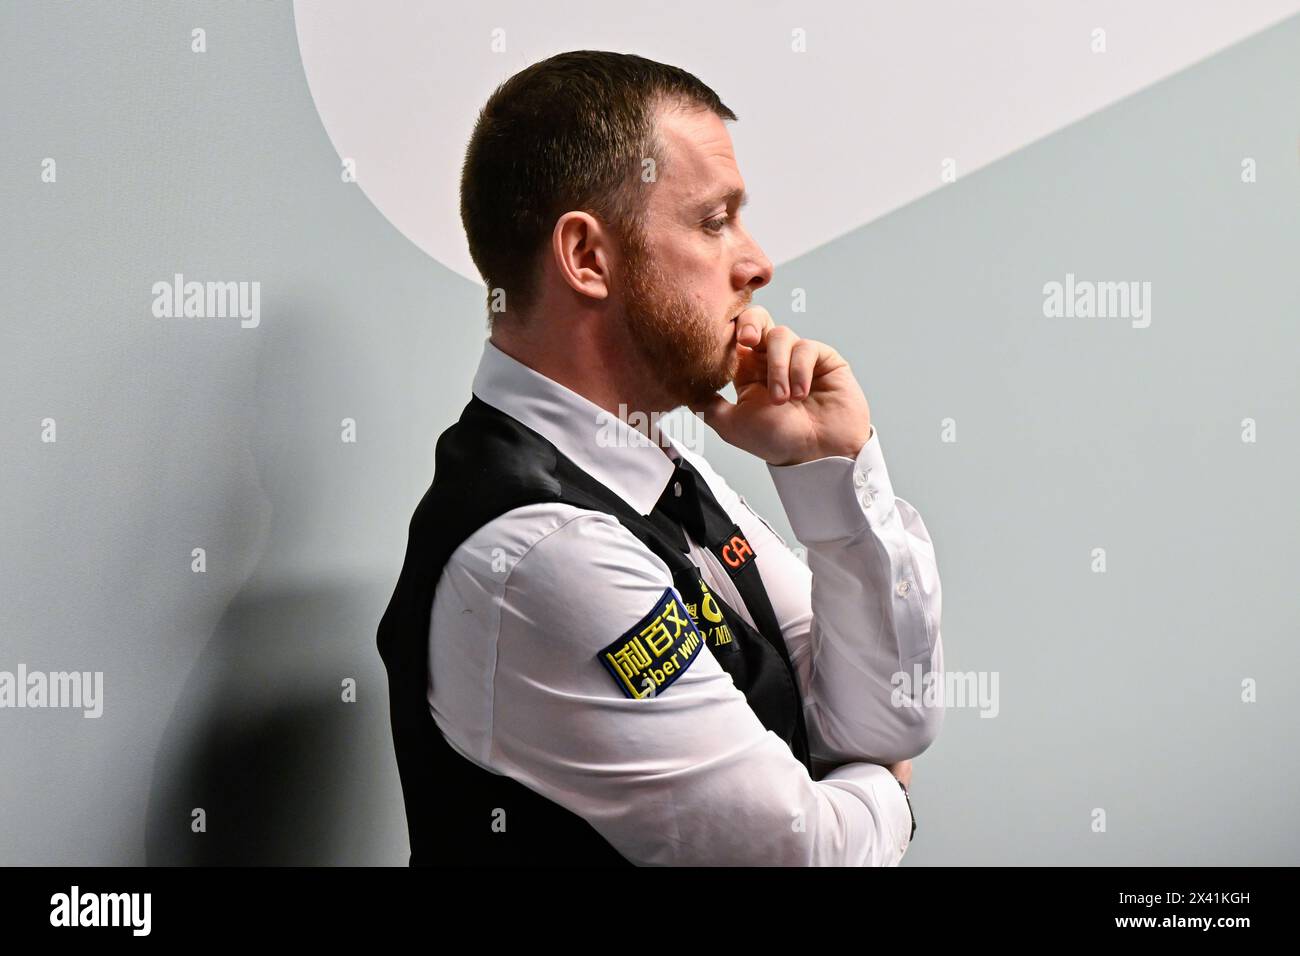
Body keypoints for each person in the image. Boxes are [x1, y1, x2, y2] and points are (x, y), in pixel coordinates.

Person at [377, 50, 944, 867]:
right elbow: (806, 853)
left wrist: (829, 470)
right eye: (714, 222)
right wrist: (888, 790)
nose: (756, 262)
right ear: (587, 258)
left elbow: (891, 714)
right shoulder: (544, 551)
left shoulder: (657, 465)